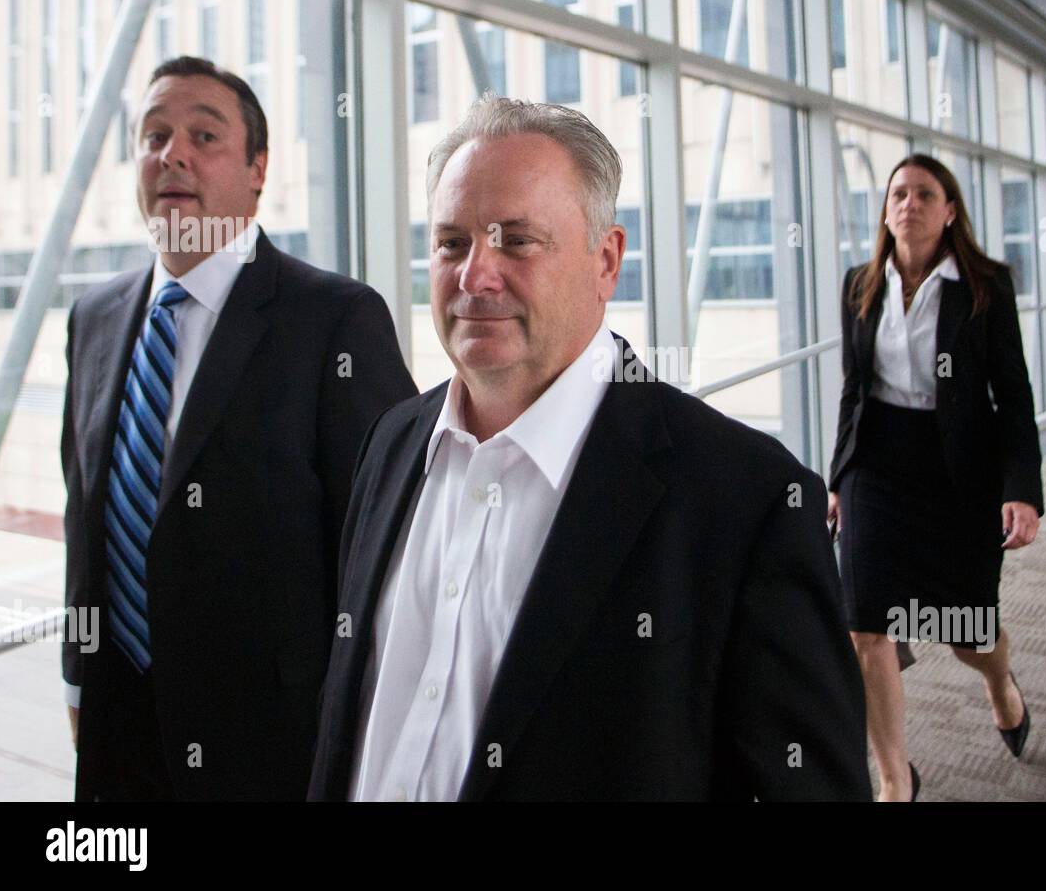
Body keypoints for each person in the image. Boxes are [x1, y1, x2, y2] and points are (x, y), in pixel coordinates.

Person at [307, 96, 872, 801]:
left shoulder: (746, 502)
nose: (475, 275)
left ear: (605, 262)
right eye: (452, 242)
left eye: (516, 240)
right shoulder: (390, 446)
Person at [61, 56, 417, 800]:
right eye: (153, 135)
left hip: (272, 749)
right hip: (116, 735)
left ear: (258, 170)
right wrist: (76, 681)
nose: (173, 154)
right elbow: (83, 521)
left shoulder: (334, 320)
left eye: (204, 135)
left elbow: (388, 545)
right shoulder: (93, 319)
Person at [827, 155, 1044, 801]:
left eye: (925, 193)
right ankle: (895, 777)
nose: (909, 203)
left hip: (959, 472)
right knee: (865, 627)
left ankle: (1000, 684)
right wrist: (839, 475)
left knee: (967, 634)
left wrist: (1022, 489)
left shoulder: (985, 286)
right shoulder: (858, 286)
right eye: (898, 193)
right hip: (878, 465)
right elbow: (854, 388)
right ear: (886, 208)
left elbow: (1013, 394)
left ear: (950, 211)